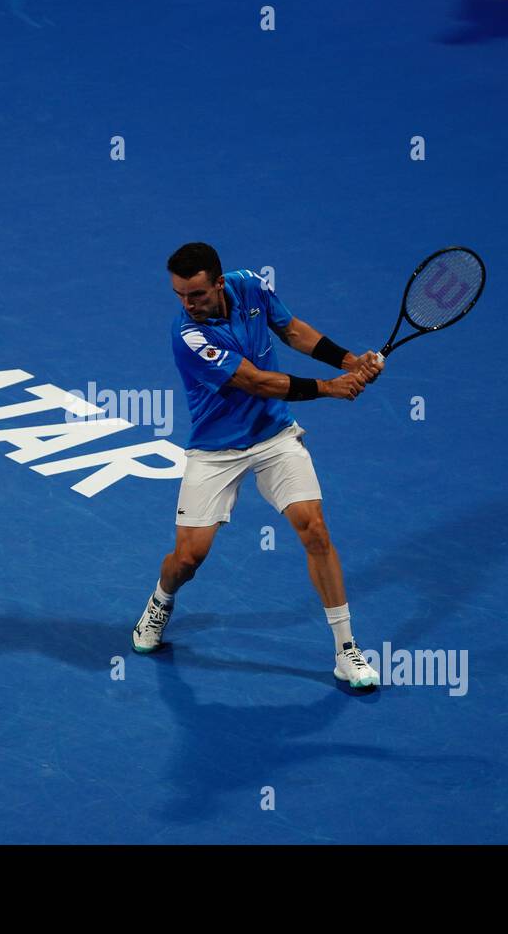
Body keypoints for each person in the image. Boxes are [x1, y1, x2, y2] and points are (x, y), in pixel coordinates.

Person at [132, 242, 383, 689]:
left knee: (315, 529)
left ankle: (346, 651)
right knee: (189, 559)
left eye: (197, 295)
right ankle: (160, 601)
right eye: (180, 296)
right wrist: (330, 387)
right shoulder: (188, 335)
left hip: (274, 436)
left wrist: (351, 362)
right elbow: (255, 381)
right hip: (215, 451)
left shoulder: (249, 285)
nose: (188, 305)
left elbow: (292, 331)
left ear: (219, 282)